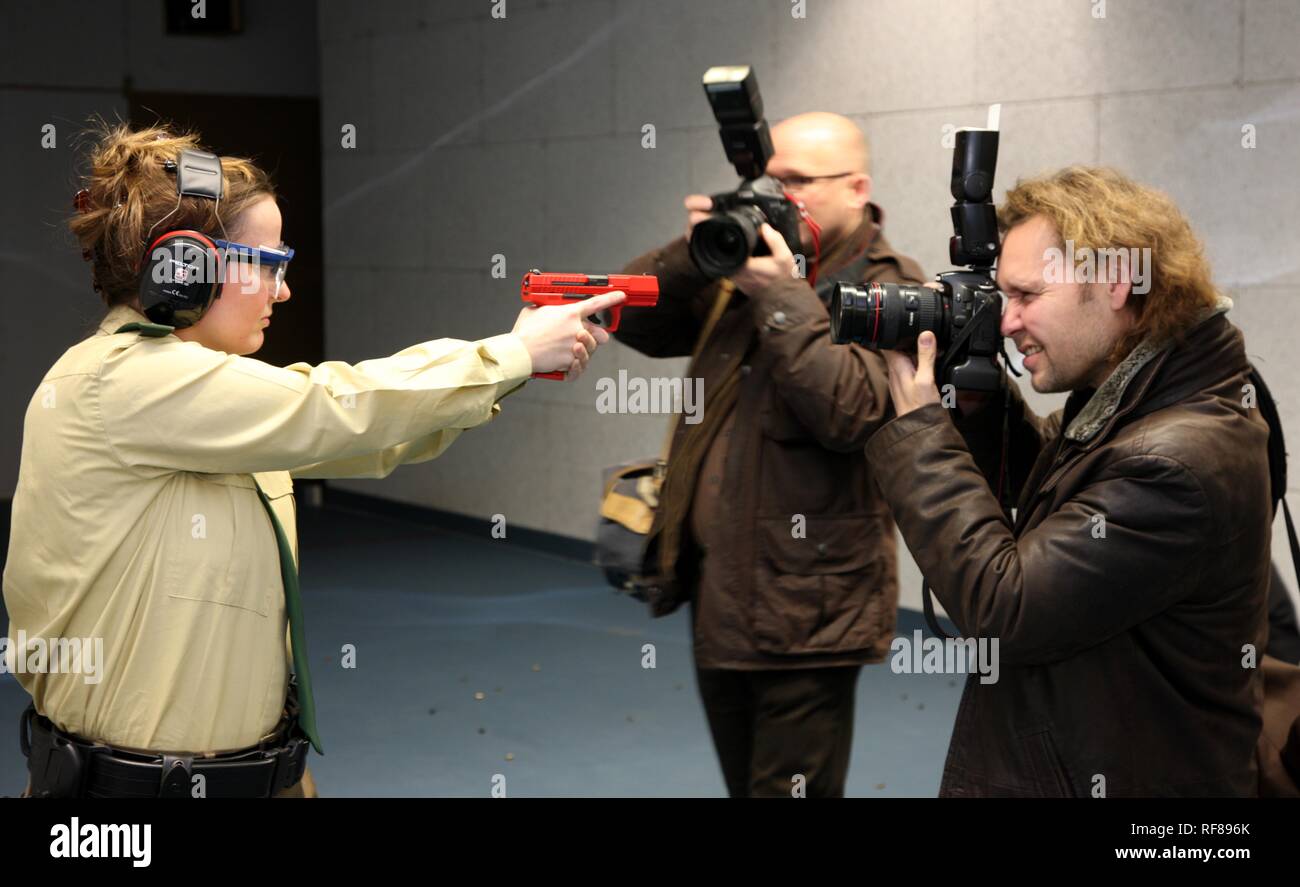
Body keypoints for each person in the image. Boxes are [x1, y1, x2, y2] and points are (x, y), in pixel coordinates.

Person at [4, 122, 622, 797]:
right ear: (186, 264)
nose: (283, 289)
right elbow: (333, 406)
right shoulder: (126, 380)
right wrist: (512, 355)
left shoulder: (180, 387)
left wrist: (509, 365)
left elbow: (365, 435)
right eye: (268, 263)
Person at [875, 166, 1269, 796]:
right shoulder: (1138, 396)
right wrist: (980, 408)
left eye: (1027, 296)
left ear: (1114, 282)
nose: (1007, 323)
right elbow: (1062, 506)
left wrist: (922, 432)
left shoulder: (1174, 459)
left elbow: (1008, 608)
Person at [614, 112, 926, 797]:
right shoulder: (741, 272)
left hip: (810, 611)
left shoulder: (894, 287)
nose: (776, 197)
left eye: (795, 181)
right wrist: (695, 251)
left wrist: (781, 296)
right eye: (765, 180)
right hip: (722, 592)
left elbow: (851, 413)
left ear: (856, 188)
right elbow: (625, 315)